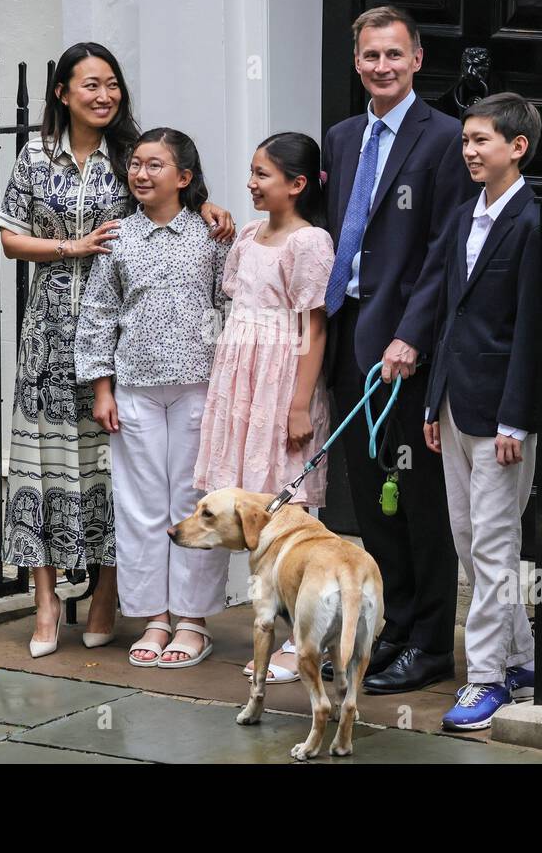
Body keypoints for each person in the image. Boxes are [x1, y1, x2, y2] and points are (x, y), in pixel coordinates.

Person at [0, 43, 234, 659]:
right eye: (91, 85)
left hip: (139, 346)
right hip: (53, 329)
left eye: (113, 85)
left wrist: (206, 204)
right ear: (62, 92)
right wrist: (74, 248)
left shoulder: (133, 157)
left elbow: (173, 194)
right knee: (47, 467)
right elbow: (10, 241)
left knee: (117, 476)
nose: (105, 96)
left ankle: (113, 599)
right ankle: (47, 603)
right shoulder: (34, 156)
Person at [321, 6, 475, 694]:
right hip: (349, 335)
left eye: (393, 55)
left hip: (407, 346)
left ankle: (433, 645)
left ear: (416, 60)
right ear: (356, 63)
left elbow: (446, 251)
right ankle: (396, 630)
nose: (381, 66)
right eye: (369, 56)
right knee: (373, 500)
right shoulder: (342, 137)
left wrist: (411, 334)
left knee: (418, 500)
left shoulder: (445, 139)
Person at [75, 128, 232, 668]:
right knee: (140, 507)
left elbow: (229, 307)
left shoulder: (211, 236)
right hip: (135, 388)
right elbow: (98, 315)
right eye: (136, 164)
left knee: (194, 505)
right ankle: (154, 618)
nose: (141, 174)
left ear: (183, 178)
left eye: (155, 165)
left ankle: (193, 620)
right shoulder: (117, 238)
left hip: (198, 388)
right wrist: (102, 388)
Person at [422, 92, 542, 730]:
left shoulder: (533, 219)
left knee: (496, 545)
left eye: (481, 141)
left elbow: (531, 328)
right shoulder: (464, 210)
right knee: (469, 541)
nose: (468, 150)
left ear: (516, 147)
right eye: (466, 140)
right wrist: (432, 398)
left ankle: (487, 679)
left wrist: (514, 420)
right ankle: (523, 657)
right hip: (454, 403)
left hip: (501, 415)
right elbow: (450, 312)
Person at [193, 132, 336, 684]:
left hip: (281, 382)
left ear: (297, 185)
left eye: (263, 175)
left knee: (288, 510)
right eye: (251, 171)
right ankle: (265, 626)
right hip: (241, 381)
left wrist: (299, 405)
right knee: (253, 507)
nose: (251, 183)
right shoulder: (249, 235)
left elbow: (314, 327)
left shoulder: (310, 243)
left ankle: (305, 637)